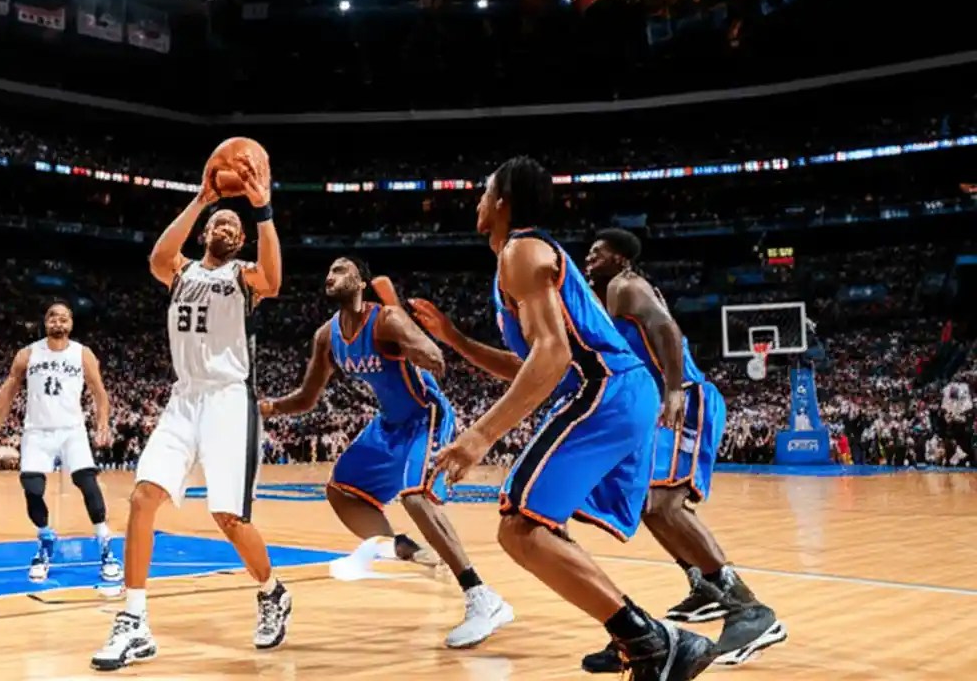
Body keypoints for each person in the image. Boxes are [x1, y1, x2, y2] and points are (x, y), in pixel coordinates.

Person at [412, 157, 716, 681]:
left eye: (485, 192)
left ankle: (651, 640)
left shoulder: (521, 249)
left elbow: (551, 357)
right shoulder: (519, 257)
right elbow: (528, 365)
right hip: (615, 392)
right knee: (533, 526)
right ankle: (641, 638)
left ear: (504, 201)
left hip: (608, 390)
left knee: (520, 524)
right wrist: (455, 340)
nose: (478, 201)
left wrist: (479, 436)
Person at [92, 155, 285, 671]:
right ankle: (134, 622)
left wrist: (261, 211)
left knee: (228, 517)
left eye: (233, 224)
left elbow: (274, 279)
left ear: (240, 240)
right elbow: (157, 257)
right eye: (220, 221)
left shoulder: (246, 277)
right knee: (142, 497)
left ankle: (271, 592)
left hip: (228, 399)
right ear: (206, 232)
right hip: (184, 398)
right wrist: (202, 199)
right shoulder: (179, 271)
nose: (226, 225)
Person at [260, 256, 514, 649]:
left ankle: (481, 595)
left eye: (341, 269)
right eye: (327, 270)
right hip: (389, 424)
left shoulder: (387, 320)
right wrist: (274, 406)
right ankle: (401, 547)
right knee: (341, 491)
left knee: (415, 497)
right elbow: (309, 397)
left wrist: (417, 349)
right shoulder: (326, 337)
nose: (331, 274)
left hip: (426, 414)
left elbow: (437, 361)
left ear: (361, 281)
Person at [578, 228, 787, 672]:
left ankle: (748, 608)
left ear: (622, 259)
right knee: (649, 505)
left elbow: (666, 329)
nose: (590, 256)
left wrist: (673, 391)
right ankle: (704, 582)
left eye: (599, 252)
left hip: (686, 395)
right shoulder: (608, 296)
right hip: (658, 402)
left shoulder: (626, 286)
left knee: (664, 504)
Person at [0, 302, 120, 584]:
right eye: (53, 317)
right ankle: (45, 540)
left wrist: (102, 425)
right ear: (45, 323)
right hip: (37, 431)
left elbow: (99, 392)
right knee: (32, 488)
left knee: (87, 482)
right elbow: (9, 388)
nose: (58, 321)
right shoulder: (28, 353)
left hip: (72, 430)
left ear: (71, 324)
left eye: (64, 317)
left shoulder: (83, 353)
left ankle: (106, 547)